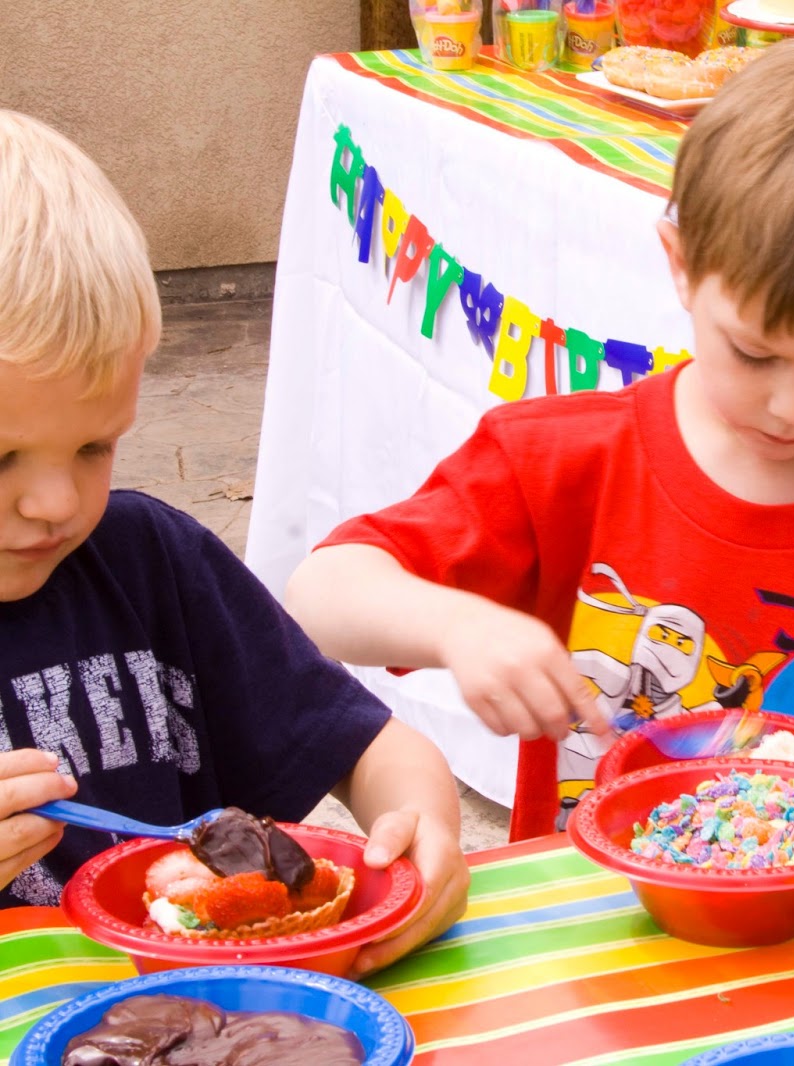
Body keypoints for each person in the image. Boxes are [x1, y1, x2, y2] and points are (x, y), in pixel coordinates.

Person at [284, 38, 794, 838]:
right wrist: (458, 625)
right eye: (755, 353)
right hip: (599, 916)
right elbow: (320, 596)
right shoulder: (560, 461)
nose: (793, 407)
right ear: (680, 264)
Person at [0, 109, 468, 977]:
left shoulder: (151, 563)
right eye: (0, 458)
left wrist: (423, 835)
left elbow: (372, 749)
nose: (56, 501)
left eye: (95, 445)